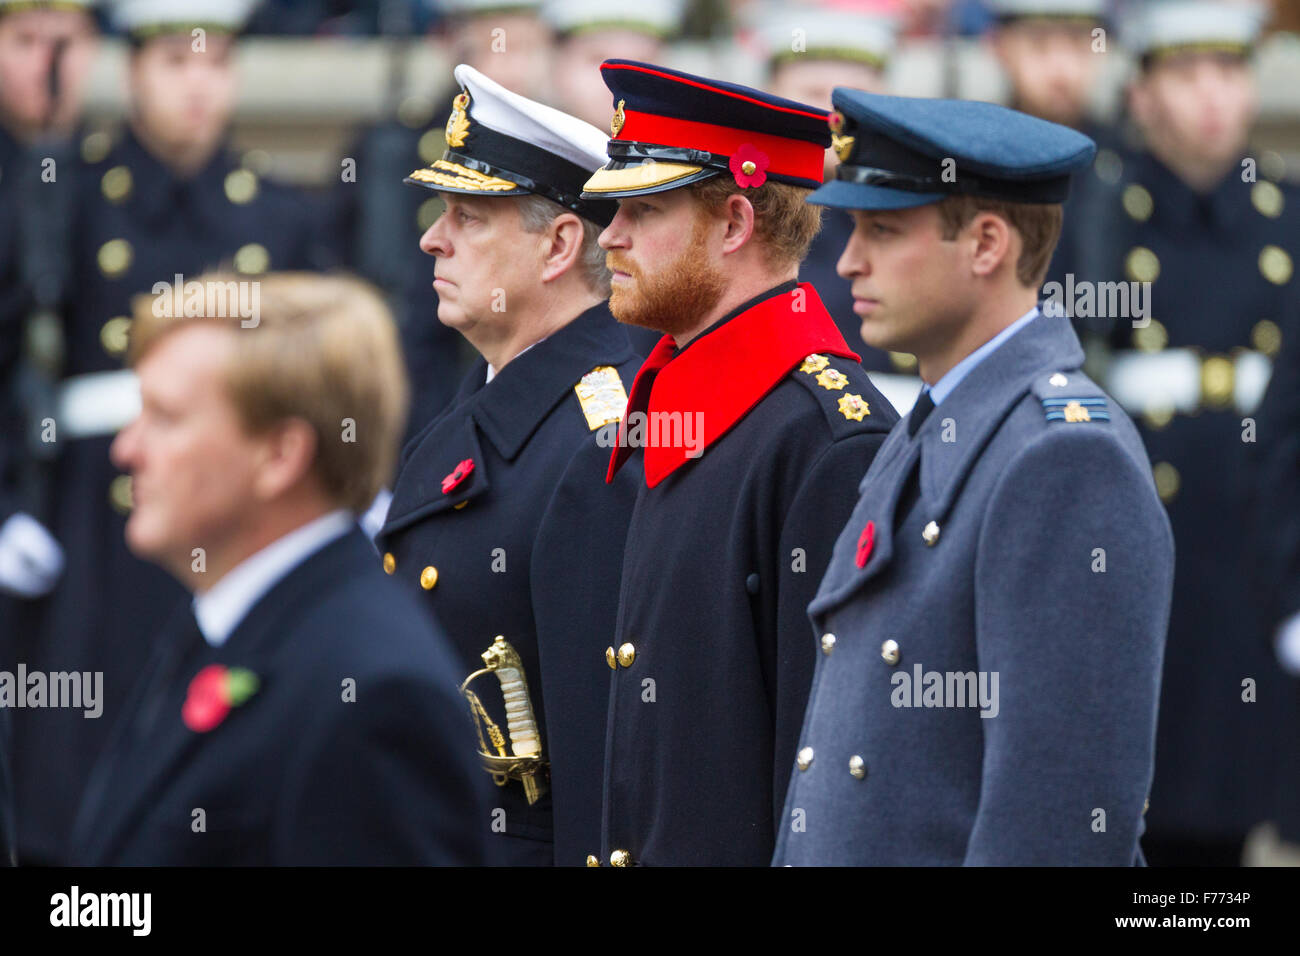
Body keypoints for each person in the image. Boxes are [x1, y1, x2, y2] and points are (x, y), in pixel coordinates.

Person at [773, 88, 1174, 866]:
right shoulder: (937, 421)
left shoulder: (1064, 461)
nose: (848, 259)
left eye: (883, 230)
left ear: (986, 243)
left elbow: (1057, 826)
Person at [3, 0, 335, 865]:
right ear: (134, 71)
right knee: (75, 733)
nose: (198, 87)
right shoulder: (69, 189)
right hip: (90, 500)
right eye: (176, 64)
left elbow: (321, 362)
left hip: (231, 499)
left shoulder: (276, 209)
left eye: (216, 64)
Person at [581, 59, 898, 866]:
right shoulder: (682, 397)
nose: (608, 236)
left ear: (733, 224)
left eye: (642, 210)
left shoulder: (825, 439)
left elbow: (828, 773)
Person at [70, 271, 488, 865]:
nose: (126, 448)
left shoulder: (372, 697)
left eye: (164, 418)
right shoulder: (230, 620)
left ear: (280, 455)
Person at [374, 65, 643, 866]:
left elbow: (601, 763)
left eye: (467, 216)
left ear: (561, 245)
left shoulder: (603, 439)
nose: (432, 237)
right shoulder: (488, 402)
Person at [1057, 0, 1300, 866]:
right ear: (1144, 90)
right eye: (1187, 73)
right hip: (1140, 528)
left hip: (1252, 539)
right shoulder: (1097, 209)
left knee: (1230, 809)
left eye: (1230, 72)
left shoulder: (1284, 211)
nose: (1212, 97)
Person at [332, 0, 556, 438]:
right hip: (411, 401)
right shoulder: (391, 147)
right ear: (450, 44)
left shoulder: (561, 157)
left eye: (528, 47)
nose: (513, 70)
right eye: (498, 46)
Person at [757, 4, 918, 398]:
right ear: (769, 97)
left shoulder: (918, 214)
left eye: (854, 99)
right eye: (813, 94)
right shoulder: (736, 218)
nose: (833, 117)